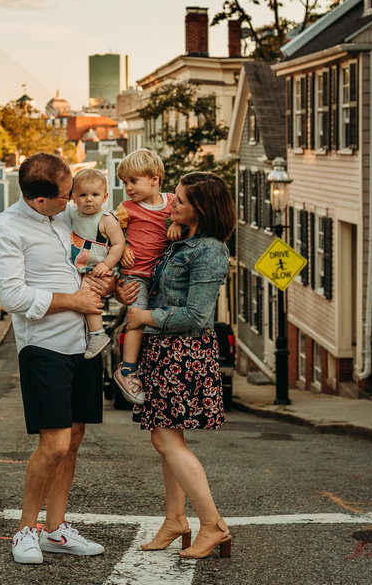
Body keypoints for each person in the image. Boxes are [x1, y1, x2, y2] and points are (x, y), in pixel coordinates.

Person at [0, 152, 108, 565]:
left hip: (84, 345)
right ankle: (25, 530)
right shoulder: (7, 228)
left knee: (73, 441)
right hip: (44, 348)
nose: (73, 199)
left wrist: (108, 290)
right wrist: (73, 299)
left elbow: (87, 264)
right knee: (53, 445)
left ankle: (55, 530)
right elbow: (14, 296)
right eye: (65, 194)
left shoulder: (67, 218)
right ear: (40, 200)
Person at [116, 171, 235, 560]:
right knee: (166, 440)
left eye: (180, 201)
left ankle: (213, 525)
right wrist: (127, 291)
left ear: (201, 208)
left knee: (167, 440)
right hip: (163, 351)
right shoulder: (179, 240)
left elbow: (198, 316)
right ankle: (175, 521)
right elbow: (150, 283)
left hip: (184, 353)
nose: (172, 205)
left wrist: (144, 318)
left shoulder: (210, 250)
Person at [112, 149, 183, 405]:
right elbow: (109, 232)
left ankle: (156, 371)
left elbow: (187, 219)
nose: (128, 188)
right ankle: (127, 369)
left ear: (154, 179)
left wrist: (175, 223)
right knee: (137, 320)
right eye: (125, 183)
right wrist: (124, 248)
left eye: (134, 181)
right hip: (135, 275)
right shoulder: (126, 208)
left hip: (162, 277)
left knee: (163, 323)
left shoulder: (173, 202)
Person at [67, 167, 126, 359]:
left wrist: (107, 265)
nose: (88, 199)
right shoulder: (73, 215)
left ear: (105, 196)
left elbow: (118, 244)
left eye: (95, 194)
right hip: (84, 266)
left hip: (99, 267)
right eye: (82, 195)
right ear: (74, 197)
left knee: (87, 294)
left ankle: (98, 334)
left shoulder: (106, 219)